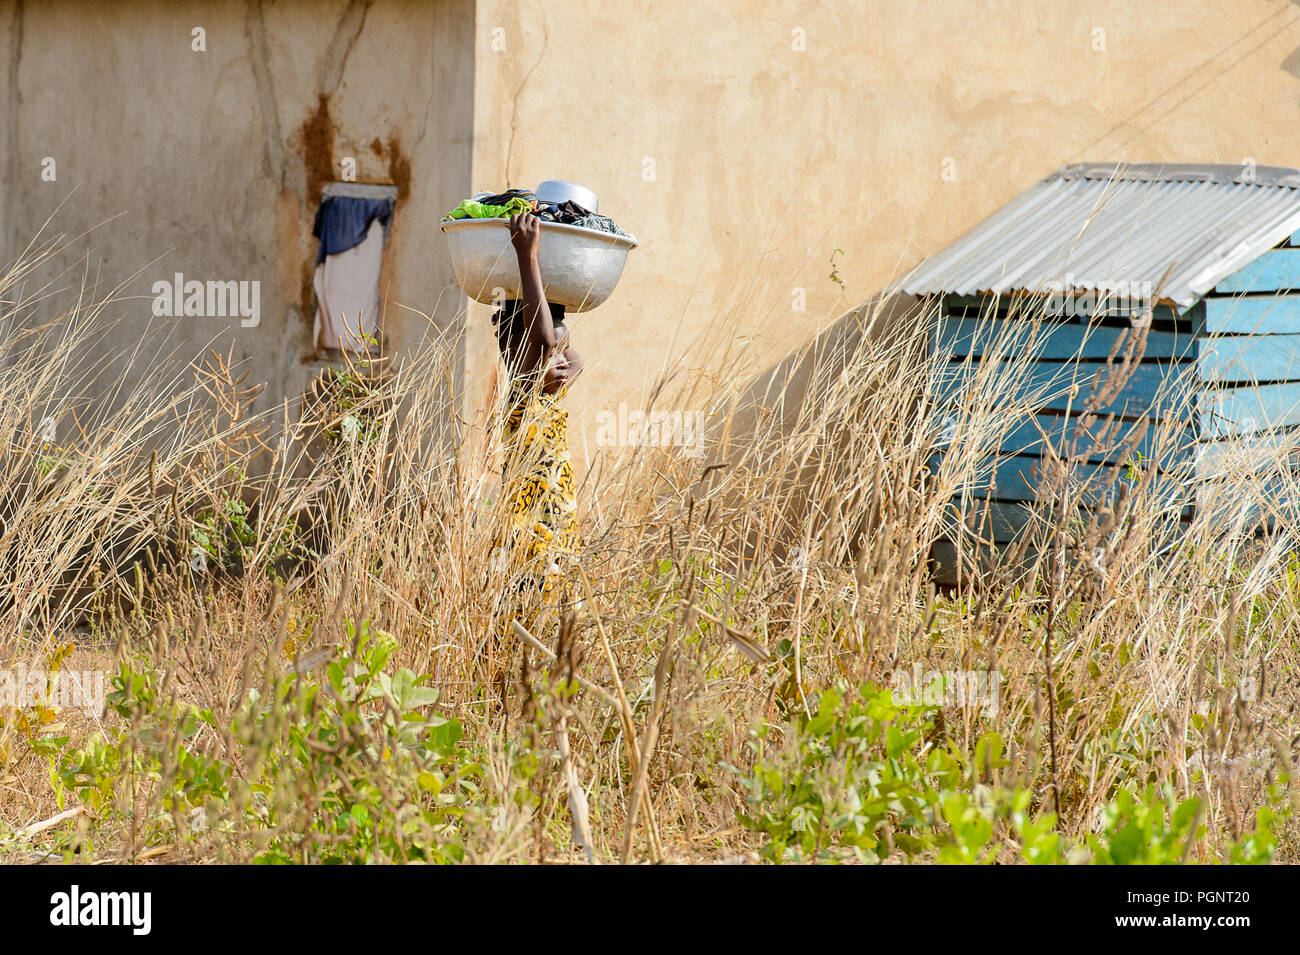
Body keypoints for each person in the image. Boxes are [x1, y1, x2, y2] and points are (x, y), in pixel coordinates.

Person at [492, 212, 584, 649]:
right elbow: (544, 344)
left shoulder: (549, 391)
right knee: (530, 634)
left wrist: (559, 334)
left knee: (552, 636)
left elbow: (562, 350)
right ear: (515, 354)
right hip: (532, 540)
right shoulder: (523, 395)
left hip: (555, 535)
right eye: (553, 350)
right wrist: (527, 258)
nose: (561, 358)